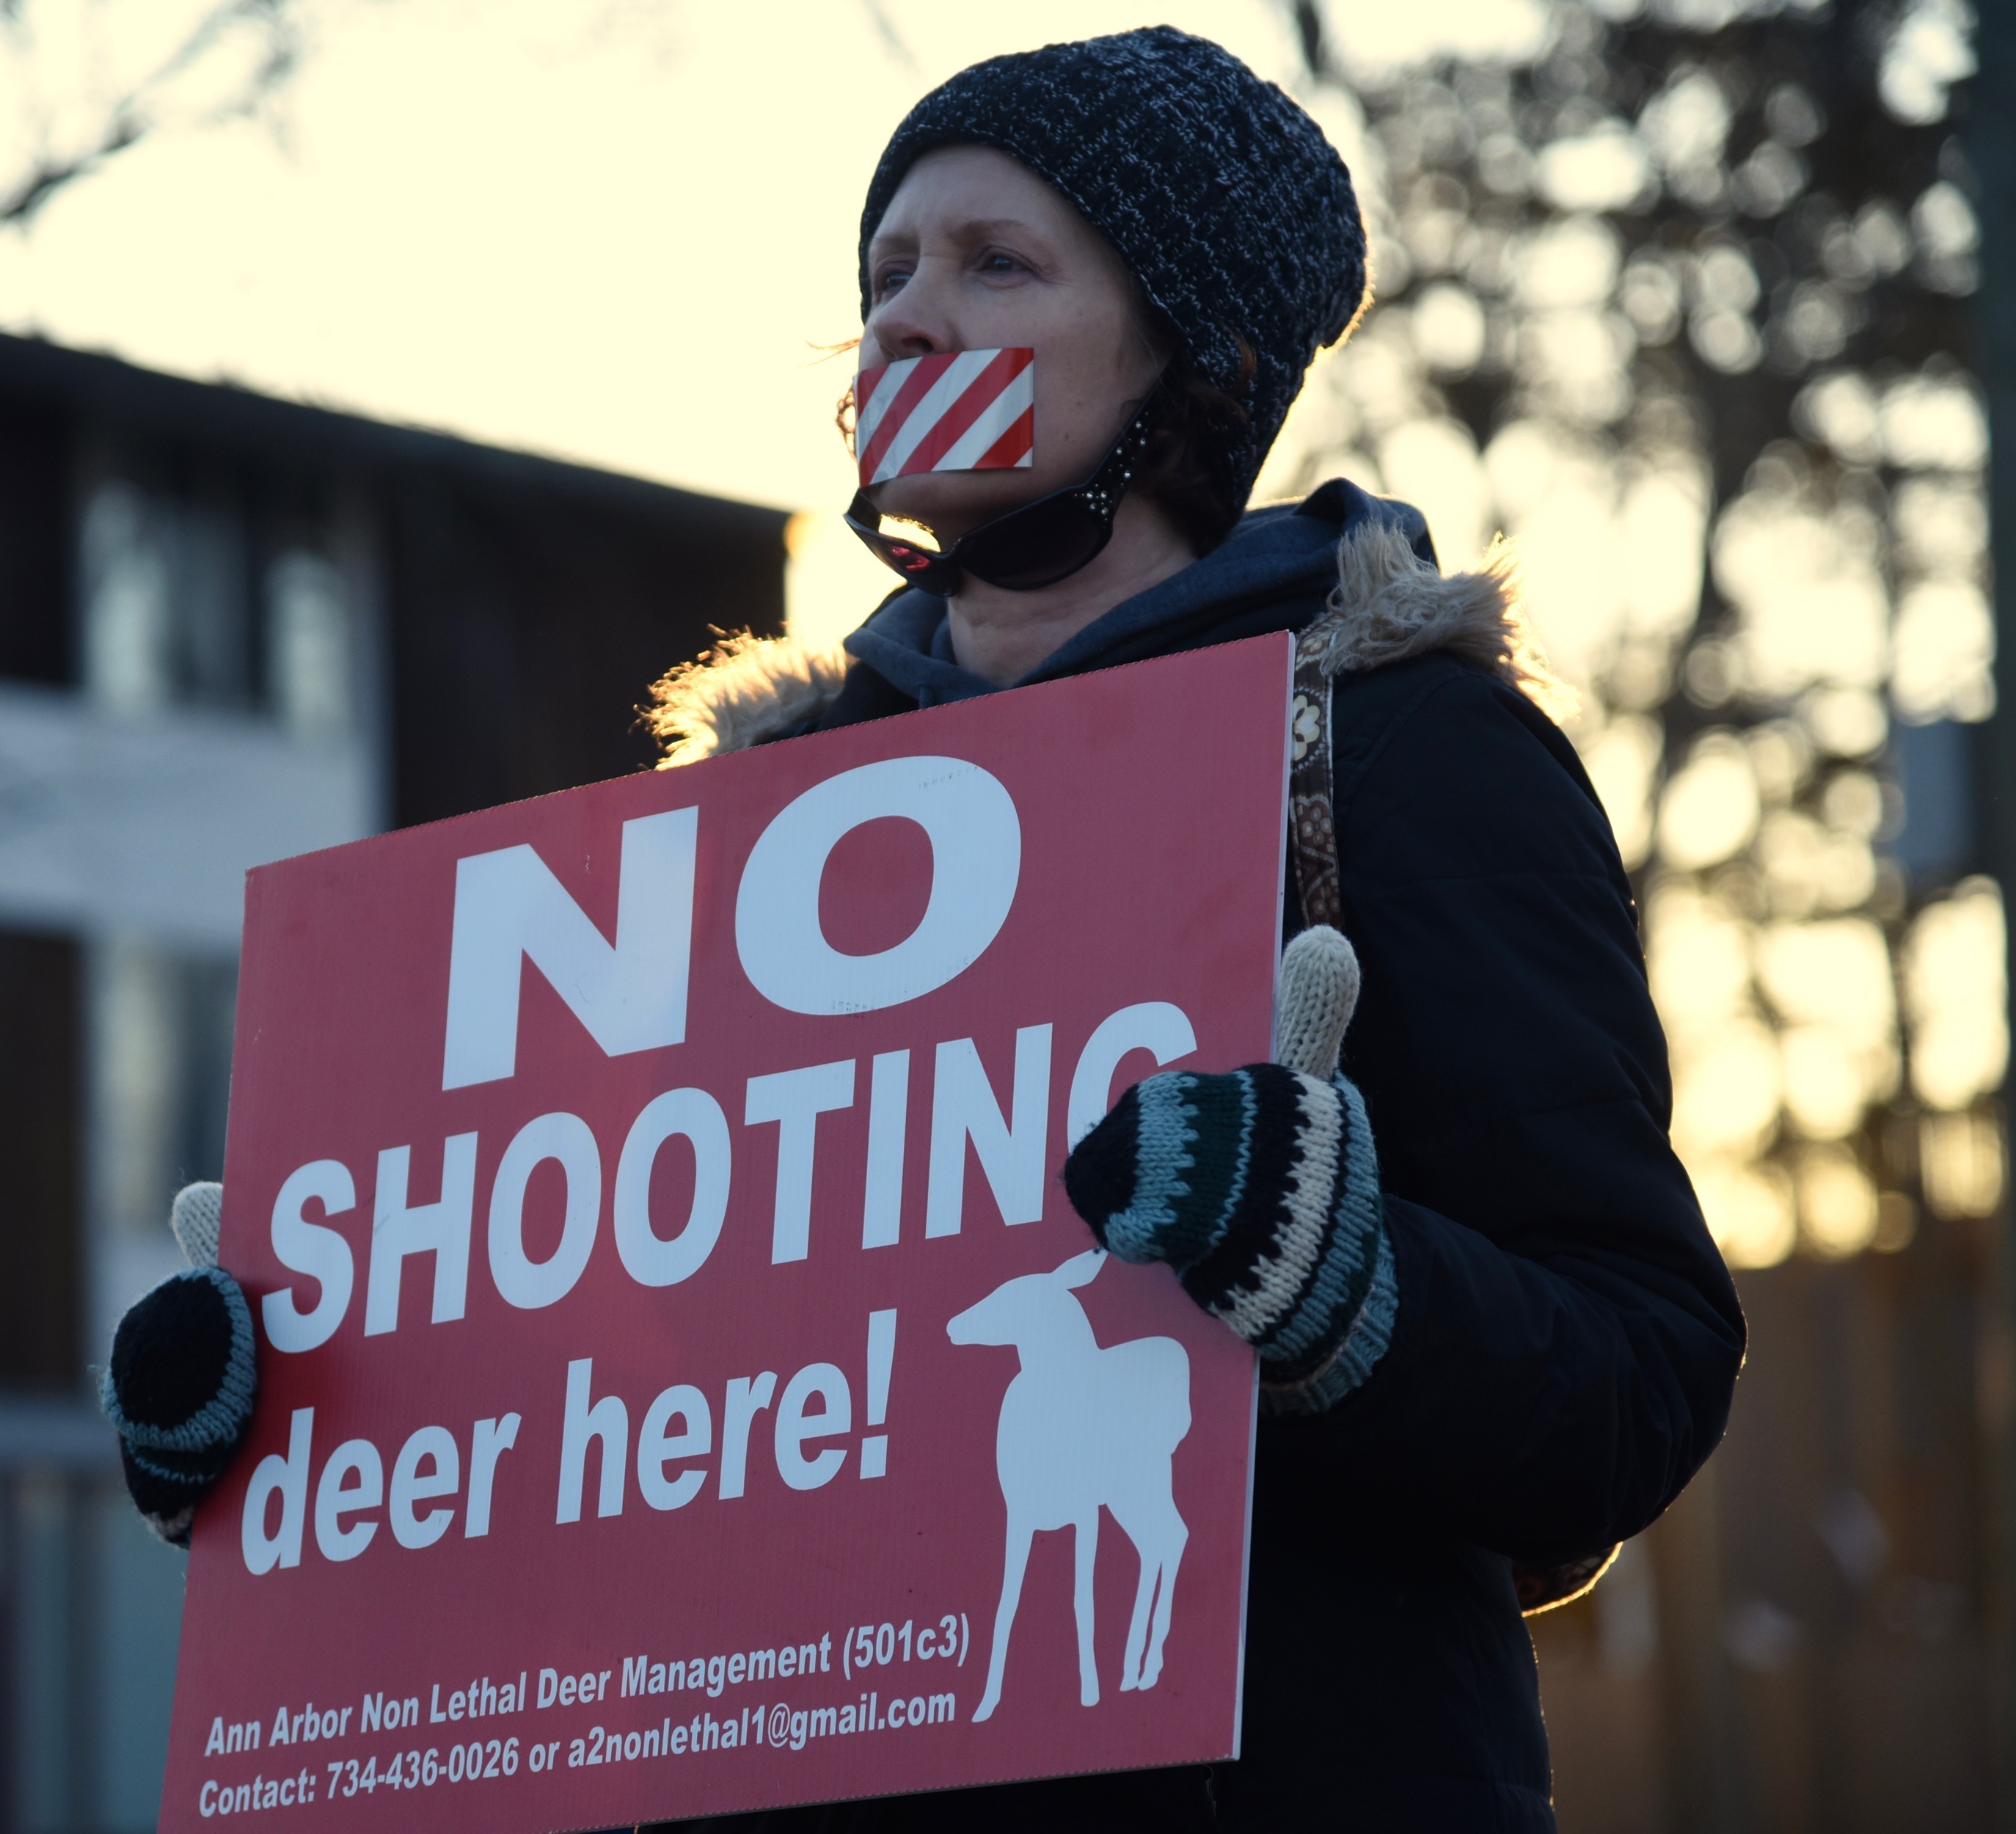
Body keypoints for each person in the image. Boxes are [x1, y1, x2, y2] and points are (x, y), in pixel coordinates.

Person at [103, 28, 1743, 1832]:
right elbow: (631, 1423)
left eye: (995, 265)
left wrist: (1336, 1272)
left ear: (1193, 354)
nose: (903, 316)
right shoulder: (736, 841)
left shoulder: (1395, 749)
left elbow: (1630, 1378)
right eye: (885, 270)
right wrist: (314, 1412)